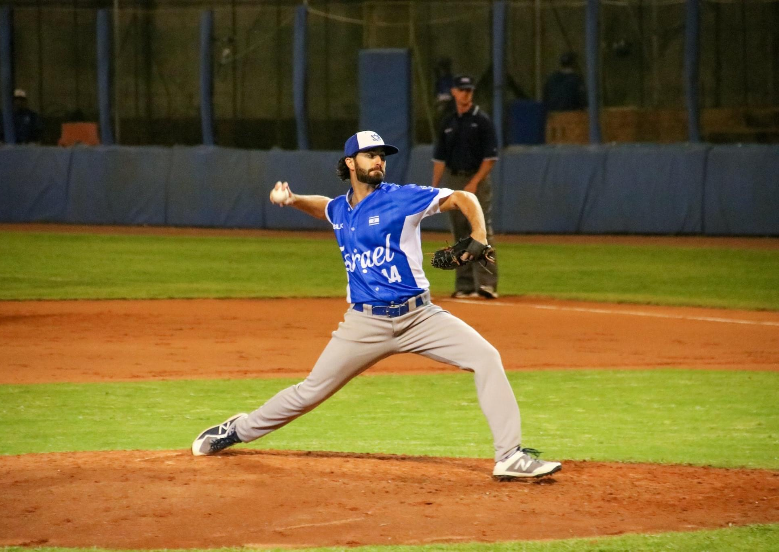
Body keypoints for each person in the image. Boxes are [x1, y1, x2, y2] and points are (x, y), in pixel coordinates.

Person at [191, 130, 561, 481]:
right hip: (364, 324)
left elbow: (465, 198)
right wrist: (293, 200)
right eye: (370, 155)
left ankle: (509, 456)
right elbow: (326, 208)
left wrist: (478, 234)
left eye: (382, 155)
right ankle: (235, 429)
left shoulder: (403, 197)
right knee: (310, 392)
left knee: (486, 358)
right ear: (350, 162)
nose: (378, 161)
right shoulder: (342, 209)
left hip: (420, 317)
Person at [431, 75, 499, 300]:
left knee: (480, 229)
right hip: (454, 179)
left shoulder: (482, 121)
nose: (466, 94)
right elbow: (440, 159)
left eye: (469, 90)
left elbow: (490, 158)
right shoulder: (448, 122)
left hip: (475, 179)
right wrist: (433, 188)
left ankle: (487, 285)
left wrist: (475, 182)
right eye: (462, 90)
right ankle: (465, 285)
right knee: (459, 232)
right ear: (454, 92)